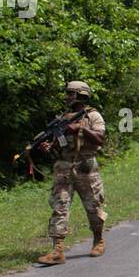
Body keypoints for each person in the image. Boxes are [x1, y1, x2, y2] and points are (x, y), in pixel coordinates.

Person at [36, 81, 107, 265]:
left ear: (80, 95)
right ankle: (57, 250)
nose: (67, 97)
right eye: (67, 93)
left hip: (86, 167)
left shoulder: (93, 116)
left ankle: (98, 240)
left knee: (93, 207)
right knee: (59, 207)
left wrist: (81, 128)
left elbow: (100, 139)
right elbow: (60, 144)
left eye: (70, 93)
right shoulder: (62, 119)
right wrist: (49, 147)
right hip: (64, 168)